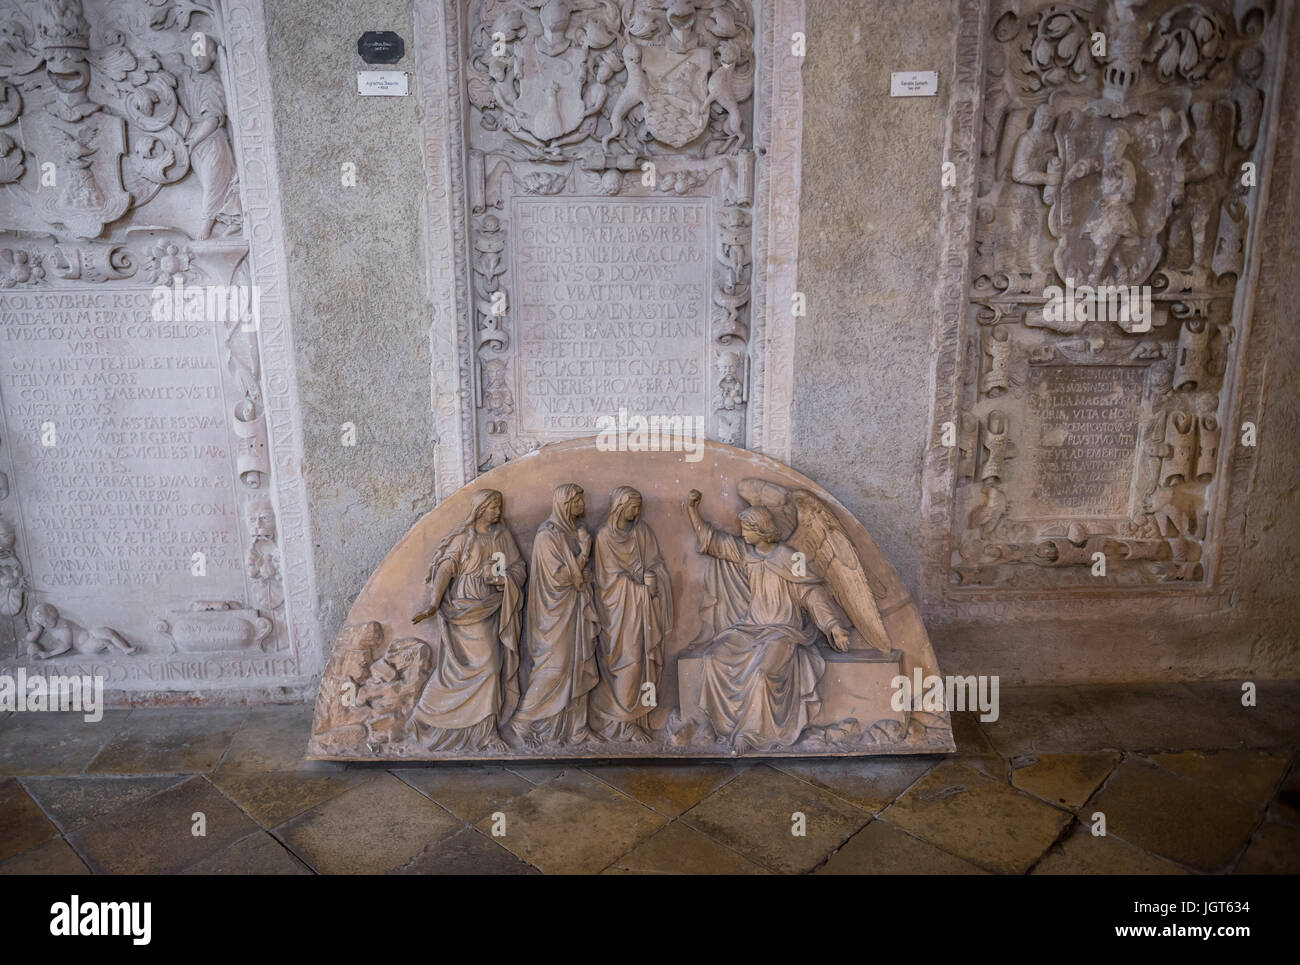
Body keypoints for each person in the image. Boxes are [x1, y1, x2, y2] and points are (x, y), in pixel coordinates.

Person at [683, 489, 849, 752]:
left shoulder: (788, 557)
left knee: (763, 673)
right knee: (714, 658)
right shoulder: (747, 553)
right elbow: (713, 540)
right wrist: (692, 510)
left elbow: (810, 592)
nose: (741, 533)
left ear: (760, 530)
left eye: (745, 529)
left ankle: (752, 734)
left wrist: (833, 626)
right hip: (751, 628)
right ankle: (725, 728)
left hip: (783, 631)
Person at [409, 489, 525, 753]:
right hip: (463, 612)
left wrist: (503, 578)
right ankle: (425, 716)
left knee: (492, 667)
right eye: (494, 507)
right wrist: (434, 603)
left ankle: (486, 731)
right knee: (457, 672)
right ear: (480, 509)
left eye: (500, 507)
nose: (498, 512)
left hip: (491, 609)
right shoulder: (464, 538)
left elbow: (519, 567)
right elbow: (446, 568)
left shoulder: (502, 536)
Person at [513, 483, 600, 748]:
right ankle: (523, 720)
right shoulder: (547, 536)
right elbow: (559, 577)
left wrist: (585, 574)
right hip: (553, 616)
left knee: (579, 665)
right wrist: (585, 553)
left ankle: (577, 729)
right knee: (555, 668)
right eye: (577, 501)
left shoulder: (575, 531)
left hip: (575, 610)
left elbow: (579, 576)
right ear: (565, 503)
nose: (582, 506)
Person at [589, 487, 673, 742]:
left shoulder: (642, 532)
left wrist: (655, 577)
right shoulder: (604, 536)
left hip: (643, 613)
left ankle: (637, 721)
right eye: (632, 507)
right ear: (619, 507)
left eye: (639, 507)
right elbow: (607, 581)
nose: (637, 512)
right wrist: (638, 588)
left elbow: (656, 563)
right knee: (629, 664)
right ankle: (619, 724)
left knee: (641, 663)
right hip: (618, 615)